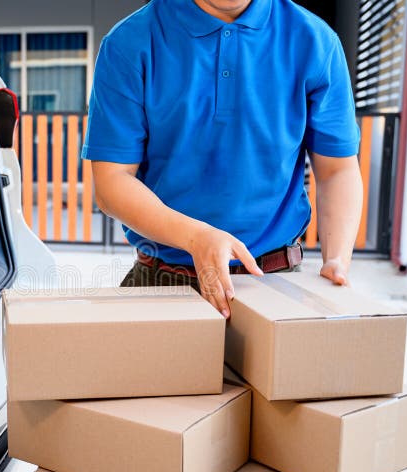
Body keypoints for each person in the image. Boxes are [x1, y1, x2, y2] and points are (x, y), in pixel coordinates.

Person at [82, 0, 363, 317]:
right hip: (163, 278)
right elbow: (112, 182)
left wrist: (337, 258)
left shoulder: (314, 41)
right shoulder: (129, 42)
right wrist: (196, 237)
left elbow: (337, 169)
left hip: (276, 282)